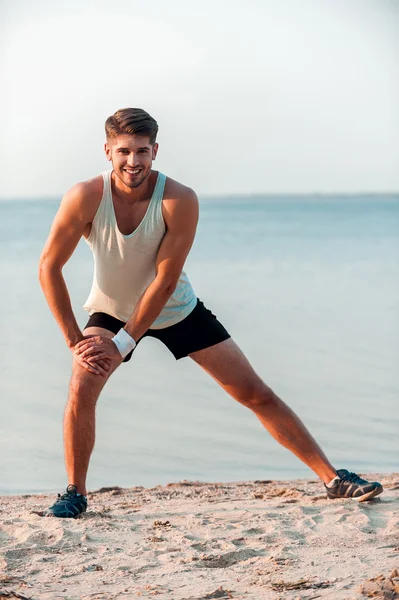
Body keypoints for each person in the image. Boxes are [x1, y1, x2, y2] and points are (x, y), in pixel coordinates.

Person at [39, 108, 383, 518]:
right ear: (108, 151)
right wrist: (75, 341)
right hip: (110, 310)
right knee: (81, 388)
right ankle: (75, 492)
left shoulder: (178, 199)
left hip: (175, 309)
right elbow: (48, 266)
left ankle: (333, 478)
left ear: (156, 151)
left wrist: (124, 343)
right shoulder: (86, 196)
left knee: (255, 393)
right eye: (125, 151)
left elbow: (165, 281)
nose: (134, 162)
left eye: (143, 152)